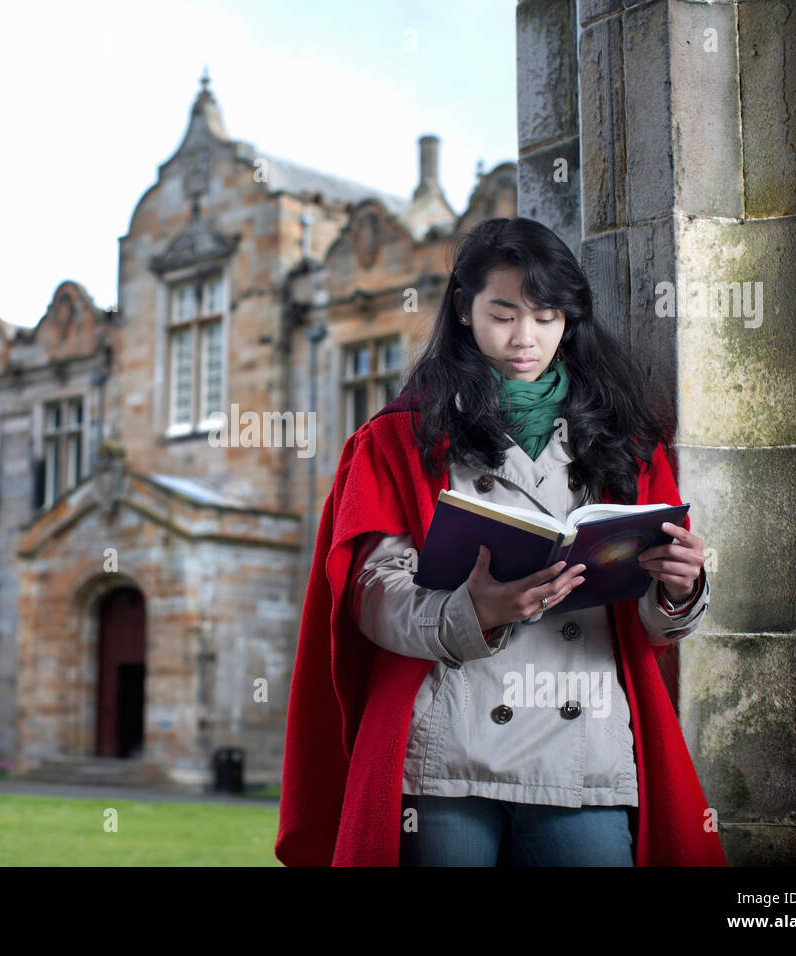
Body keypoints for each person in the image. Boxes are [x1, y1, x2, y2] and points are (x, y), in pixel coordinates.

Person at [275, 217, 727, 867]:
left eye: (547, 317)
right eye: (504, 314)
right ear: (463, 309)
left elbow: (648, 630)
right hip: (445, 753)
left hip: (585, 752)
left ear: (571, 319)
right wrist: (474, 611)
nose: (525, 339)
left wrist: (681, 590)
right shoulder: (397, 439)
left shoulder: (627, 442)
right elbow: (372, 595)